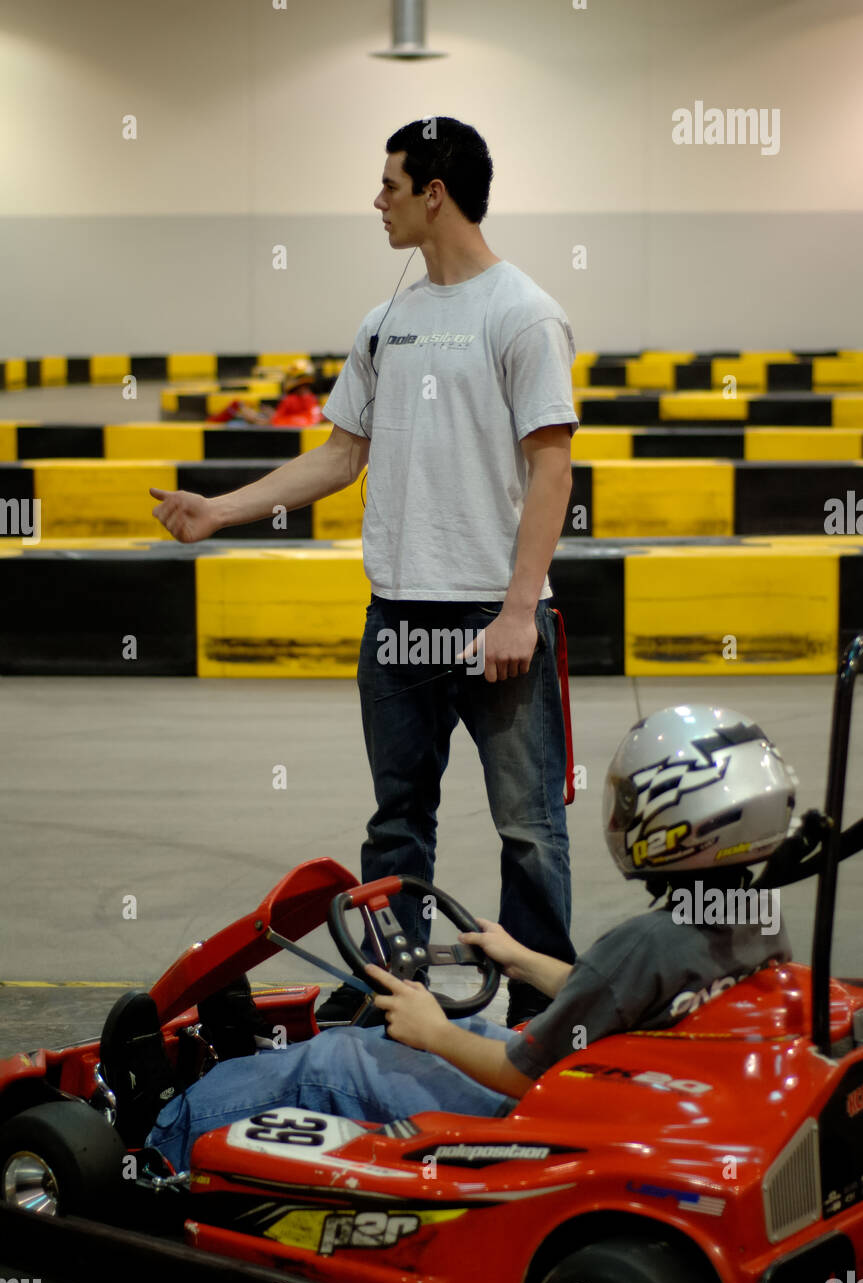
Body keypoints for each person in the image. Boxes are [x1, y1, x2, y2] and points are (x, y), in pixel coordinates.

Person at [150, 117, 580, 1028]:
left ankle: (547, 1019)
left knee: (529, 831)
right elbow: (340, 457)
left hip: (496, 621)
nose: (375, 201)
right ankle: (396, 992)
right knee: (397, 826)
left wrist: (514, 610)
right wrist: (219, 510)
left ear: (434, 192)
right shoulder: (383, 325)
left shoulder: (523, 314)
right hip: (397, 621)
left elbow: (552, 467)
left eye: (388, 184)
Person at [100, 705, 798, 1173]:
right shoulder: (745, 923)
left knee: (343, 1056)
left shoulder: (648, 939)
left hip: (539, 1117)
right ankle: (242, 1069)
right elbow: (617, 1003)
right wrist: (519, 957)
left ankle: (168, 1123)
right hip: (615, 1098)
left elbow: (517, 1069)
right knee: (376, 1041)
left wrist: (433, 1029)